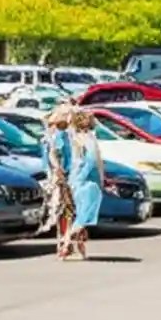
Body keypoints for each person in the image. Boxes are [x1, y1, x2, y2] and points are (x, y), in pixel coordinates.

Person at [63, 109, 106, 261]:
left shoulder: (73, 138)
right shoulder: (90, 139)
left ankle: (74, 248)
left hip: (74, 178)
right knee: (85, 212)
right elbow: (95, 160)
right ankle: (71, 237)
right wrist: (102, 178)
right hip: (87, 178)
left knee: (76, 211)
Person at [38, 105, 75, 258]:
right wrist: (60, 171)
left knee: (61, 210)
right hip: (62, 176)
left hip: (53, 175)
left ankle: (63, 242)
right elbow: (57, 155)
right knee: (66, 210)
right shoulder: (60, 136)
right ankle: (65, 243)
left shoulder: (47, 137)